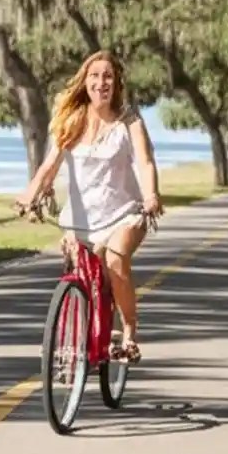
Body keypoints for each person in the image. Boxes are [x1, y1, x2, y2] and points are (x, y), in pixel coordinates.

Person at [15, 50, 163, 362]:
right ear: (85, 81)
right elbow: (49, 167)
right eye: (94, 76)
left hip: (124, 214)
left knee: (115, 259)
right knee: (83, 278)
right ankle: (85, 336)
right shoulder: (72, 121)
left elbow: (146, 162)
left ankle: (129, 331)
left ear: (117, 82)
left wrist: (151, 196)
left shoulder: (129, 123)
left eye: (108, 76)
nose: (101, 82)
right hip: (81, 220)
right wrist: (30, 194)